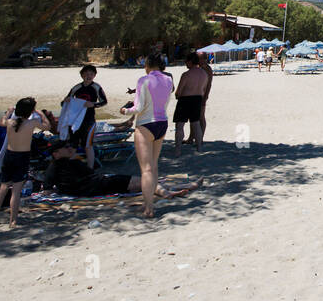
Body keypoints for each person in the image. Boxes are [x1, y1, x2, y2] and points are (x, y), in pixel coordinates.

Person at [44, 141, 203, 200]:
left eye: (70, 146)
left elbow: (47, 187)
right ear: (56, 154)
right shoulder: (63, 165)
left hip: (89, 188)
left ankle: (178, 188)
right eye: (66, 147)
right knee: (140, 181)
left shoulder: (59, 166)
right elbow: (91, 174)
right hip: (97, 185)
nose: (70, 148)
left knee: (142, 184)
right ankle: (168, 193)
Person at [122, 52, 174, 218]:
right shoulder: (168, 80)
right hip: (162, 122)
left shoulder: (143, 80)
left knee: (146, 169)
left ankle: (149, 208)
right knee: (154, 165)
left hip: (146, 124)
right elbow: (165, 103)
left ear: (148, 65)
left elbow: (138, 107)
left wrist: (124, 111)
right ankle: (148, 203)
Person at [0, 98, 53, 228]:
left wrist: (8, 112)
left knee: (3, 188)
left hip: (9, 156)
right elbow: (48, 126)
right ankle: (13, 221)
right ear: (30, 112)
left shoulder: (10, 122)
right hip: (22, 157)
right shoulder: (31, 123)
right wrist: (41, 114)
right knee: (16, 191)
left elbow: (1, 122)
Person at [174, 51, 208, 154]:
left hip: (185, 100)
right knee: (196, 124)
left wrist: (177, 95)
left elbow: (179, 91)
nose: (185, 64)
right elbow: (204, 89)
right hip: (197, 99)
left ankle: (178, 150)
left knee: (180, 126)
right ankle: (199, 148)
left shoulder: (186, 74)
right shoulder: (204, 74)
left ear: (190, 62)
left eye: (186, 62)